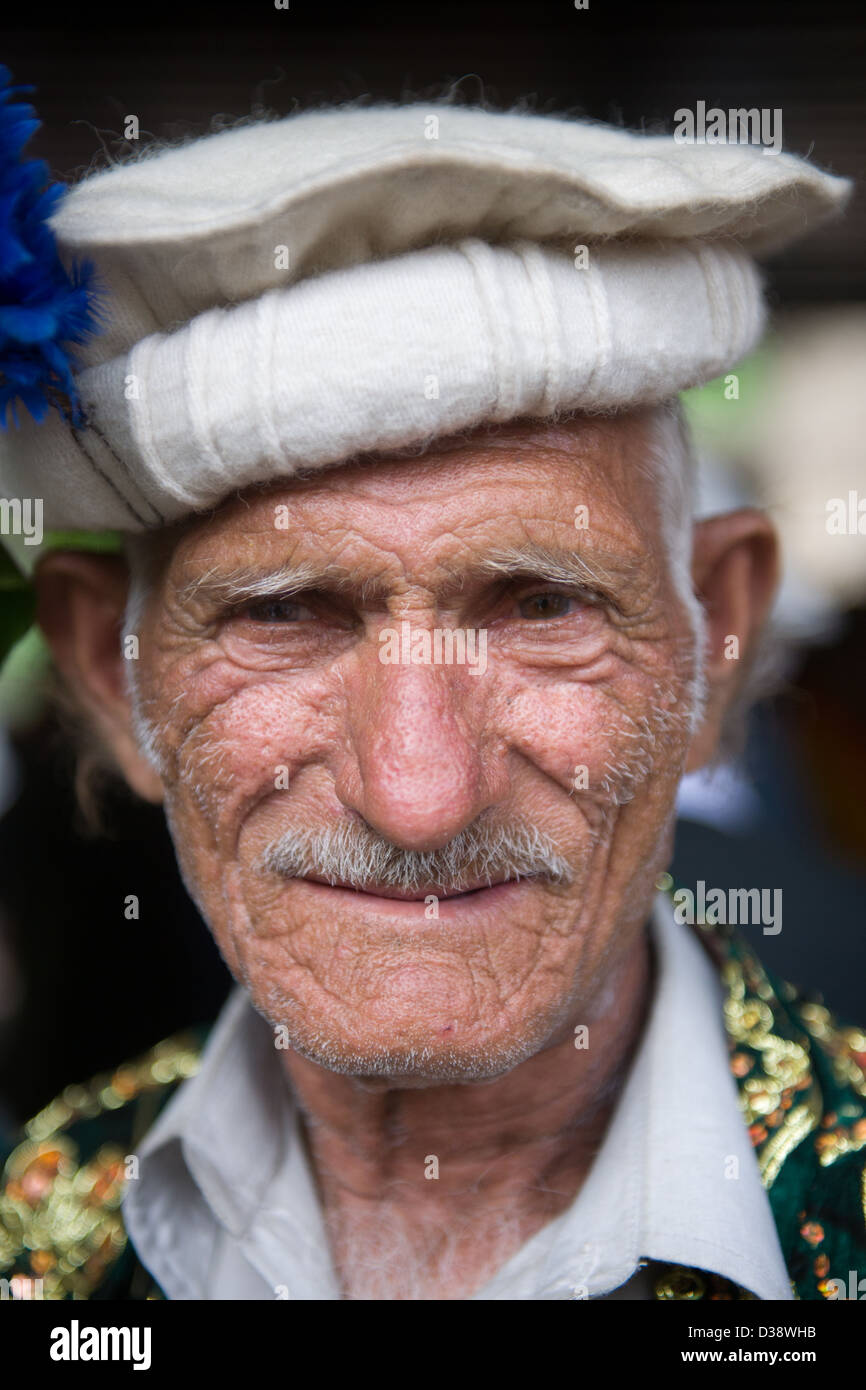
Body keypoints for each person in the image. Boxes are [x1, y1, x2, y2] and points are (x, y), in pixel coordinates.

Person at [1, 98, 864, 1302]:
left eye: (542, 608)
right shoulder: (35, 1235)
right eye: (281, 614)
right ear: (112, 671)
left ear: (713, 637)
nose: (418, 799)